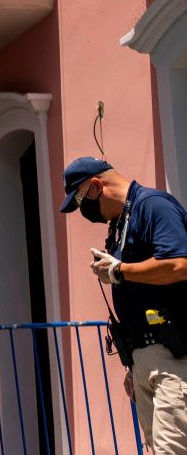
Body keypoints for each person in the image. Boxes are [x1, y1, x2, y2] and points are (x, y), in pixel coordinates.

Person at [60, 156, 187, 452]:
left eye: (80, 202)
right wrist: (136, 364)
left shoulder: (153, 205)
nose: (83, 212)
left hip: (174, 356)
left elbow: (179, 265)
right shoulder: (120, 223)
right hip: (144, 358)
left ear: (95, 187)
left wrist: (119, 271)